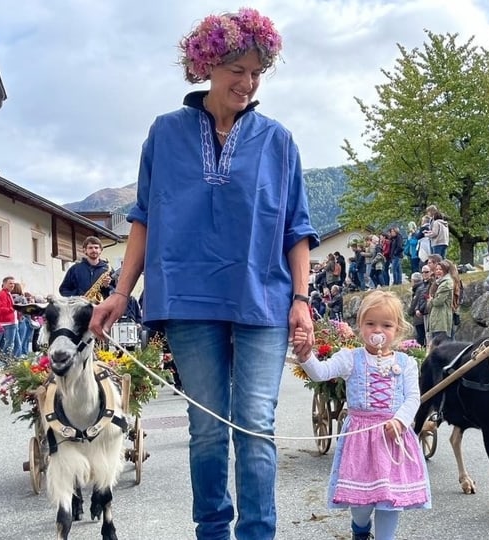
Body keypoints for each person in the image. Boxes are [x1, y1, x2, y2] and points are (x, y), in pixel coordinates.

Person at [89, 9, 319, 540]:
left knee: (256, 429)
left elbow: (296, 229)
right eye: (237, 68)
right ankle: (212, 532)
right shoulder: (165, 134)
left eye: (258, 71)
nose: (247, 81)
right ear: (207, 65)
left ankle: (258, 534)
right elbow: (144, 217)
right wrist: (121, 292)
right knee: (208, 431)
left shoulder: (278, 141)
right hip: (188, 300)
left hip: (262, 300)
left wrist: (302, 298)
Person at [292, 290, 430, 540]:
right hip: (360, 439)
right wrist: (305, 356)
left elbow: (412, 397)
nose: (378, 330)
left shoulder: (406, 362)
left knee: (390, 498)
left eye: (386, 325)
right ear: (360, 326)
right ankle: (360, 528)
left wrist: (400, 420)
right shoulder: (350, 358)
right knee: (362, 505)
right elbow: (321, 373)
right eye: (371, 323)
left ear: (398, 329)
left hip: (392, 440)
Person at [425, 261, 454, 343]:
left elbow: (438, 301)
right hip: (437, 317)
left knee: (441, 344)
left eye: (440, 269)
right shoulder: (439, 282)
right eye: (437, 269)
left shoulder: (446, 283)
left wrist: (431, 300)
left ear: (446, 270)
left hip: (441, 318)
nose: (438, 271)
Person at [0, 277, 18, 359]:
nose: (12, 285)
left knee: (13, 343)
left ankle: (9, 360)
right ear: (4, 284)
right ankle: (5, 361)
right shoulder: (2, 294)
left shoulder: (7, 293)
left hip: (12, 321)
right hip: (8, 322)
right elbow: (2, 309)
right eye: (10, 283)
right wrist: (13, 308)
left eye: (13, 283)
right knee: (9, 343)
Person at [407, 271, 428, 346]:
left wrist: (410, 312)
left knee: (421, 338)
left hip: (419, 318)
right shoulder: (421, 287)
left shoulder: (418, 289)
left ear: (413, 281)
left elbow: (414, 303)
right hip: (421, 318)